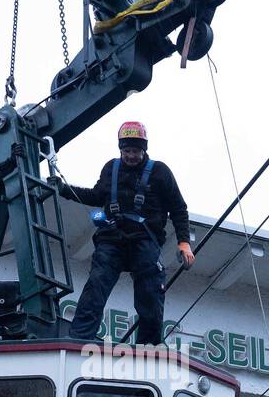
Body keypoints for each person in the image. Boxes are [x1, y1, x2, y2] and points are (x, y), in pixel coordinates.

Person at [54, 121, 194, 345]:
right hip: (112, 239)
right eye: (127, 151)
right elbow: (96, 195)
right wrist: (63, 189)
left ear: (144, 149)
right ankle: (79, 338)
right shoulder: (111, 168)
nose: (131, 156)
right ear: (120, 149)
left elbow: (178, 208)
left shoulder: (160, 172)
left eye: (136, 151)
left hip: (144, 240)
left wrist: (184, 242)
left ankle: (149, 346)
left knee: (150, 292)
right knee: (96, 284)